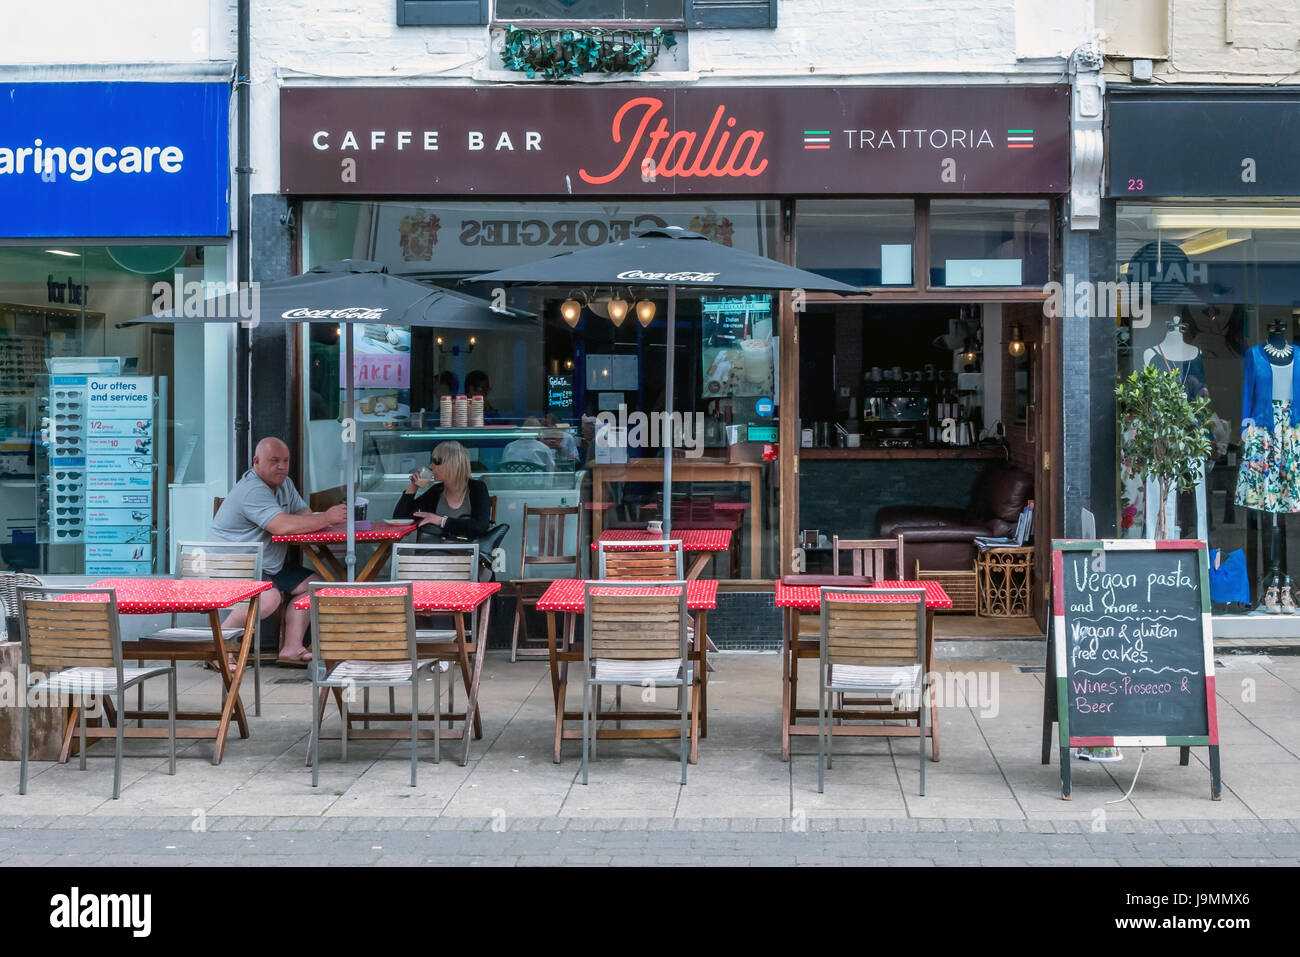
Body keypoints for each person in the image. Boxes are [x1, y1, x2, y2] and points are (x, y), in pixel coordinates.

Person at [210, 437, 347, 666]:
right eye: (274, 461)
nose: (282, 466)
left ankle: (292, 647)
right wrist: (325, 518)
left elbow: (303, 513)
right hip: (234, 564)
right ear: (256, 461)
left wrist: (307, 520)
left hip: (267, 564)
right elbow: (281, 526)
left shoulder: (284, 483)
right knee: (267, 599)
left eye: (285, 460)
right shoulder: (252, 489)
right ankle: (217, 643)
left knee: (317, 587)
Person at [392, 440, 492, 542]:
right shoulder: (437, 491)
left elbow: (480, 526)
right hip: (437, 553)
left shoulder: (477, 488)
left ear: (452, 463)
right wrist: (413, 487)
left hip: (468, 553)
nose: (431, 466)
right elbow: (400, 520)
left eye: (436, 461)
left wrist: (441, 521)